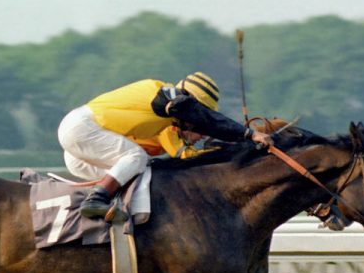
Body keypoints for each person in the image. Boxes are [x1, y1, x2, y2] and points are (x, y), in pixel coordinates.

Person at [58, 72, 273, 218]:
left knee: (137, 176)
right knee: (137, 158)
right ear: (190, 100)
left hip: (82, 147)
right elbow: (205, 124)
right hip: (82, 130)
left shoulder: (167, 112)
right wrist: (248, 134)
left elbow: (206, 125)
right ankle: (96, 199)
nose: (195, 124)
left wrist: (241, 140)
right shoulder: (166, 97)